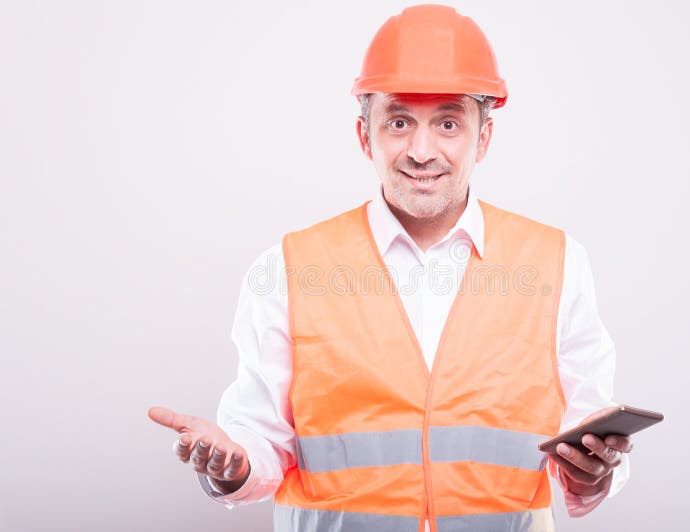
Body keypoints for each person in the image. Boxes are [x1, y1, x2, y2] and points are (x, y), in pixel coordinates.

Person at [148, 4, 633, 531]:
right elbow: (259, 443)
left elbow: (588, 432)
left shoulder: (556, 263)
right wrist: (233, 464)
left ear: (483, 138)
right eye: (399, 122)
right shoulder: (290, 268)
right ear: (365, 137)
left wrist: (593, 472)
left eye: (448, 123)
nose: (422, 151)